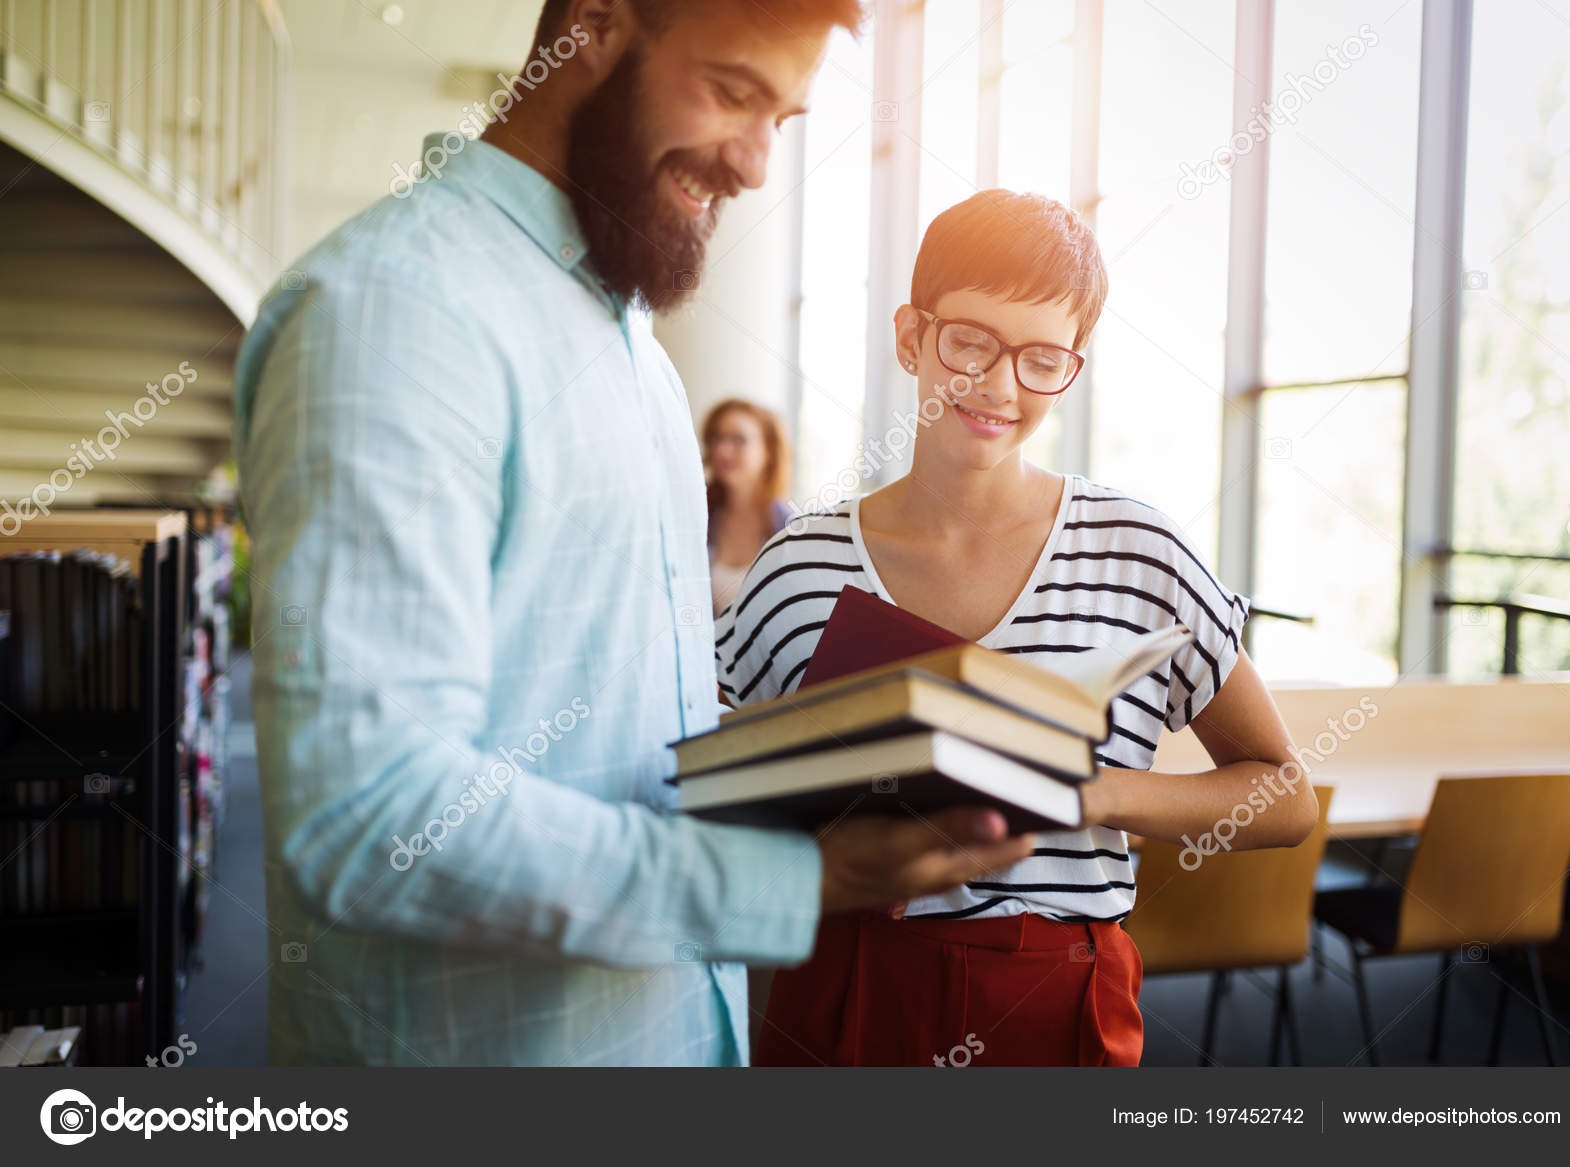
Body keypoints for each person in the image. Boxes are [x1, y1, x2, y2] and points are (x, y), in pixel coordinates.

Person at [233, 0, 1036, 1067]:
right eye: (733, 92)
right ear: (598, 28)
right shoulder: (395, 312)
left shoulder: (633, 350)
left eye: (782, 120)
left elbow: (612, 743)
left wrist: (819, 801)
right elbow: (370, 818)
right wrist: (805, 883)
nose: (755, 165)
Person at [715, 189, 1317, 1067]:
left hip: (1054, 988)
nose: (999, 386)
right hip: (845, 971)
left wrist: (1092, 796)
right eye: (969, 342)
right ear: (911, 336)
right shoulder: (797, 565)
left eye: (1043, 358)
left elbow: (1284, 795)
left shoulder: (1141, 553)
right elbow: (716, 786)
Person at [703, 399, 797, 614]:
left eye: (739, 440)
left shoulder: (791, 527)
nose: (723, 451)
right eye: (716, 439)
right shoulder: (700, 520)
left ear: (769, 451)